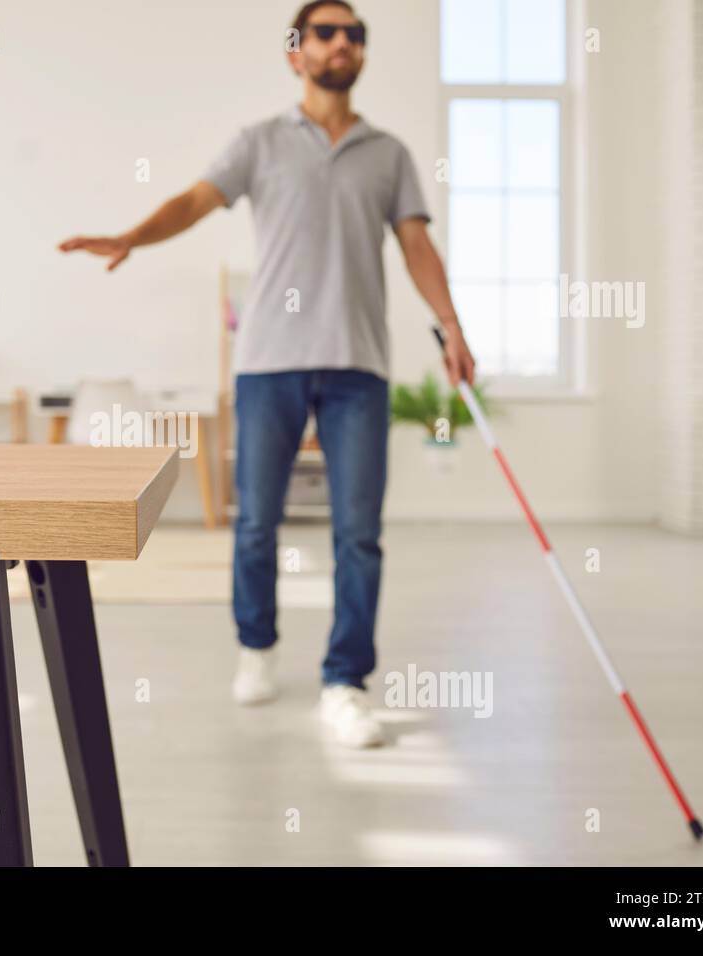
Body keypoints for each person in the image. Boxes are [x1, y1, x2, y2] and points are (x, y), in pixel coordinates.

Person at [59, 0, 475, 748]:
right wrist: (132, 237)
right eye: (326, 32)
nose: (342, 42)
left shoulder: (389, 153)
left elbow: (416, 246)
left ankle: (345, 683)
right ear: (296, 52)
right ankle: (257, 648)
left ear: (362, 55)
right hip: (269, 362)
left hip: (358, 366)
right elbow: (194, 200)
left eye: (354, 34)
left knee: (359, 533)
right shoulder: (258, 143)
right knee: (255, 522)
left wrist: (451, 325)